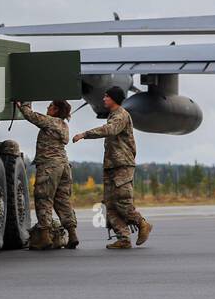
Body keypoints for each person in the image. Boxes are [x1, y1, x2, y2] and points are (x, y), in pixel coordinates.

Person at [73, 86, 153, 249]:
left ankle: (142, 223)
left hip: (122, 165)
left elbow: (110, 130)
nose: (104, 99)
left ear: (114, 98)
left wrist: (85, 134)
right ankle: (124, 238)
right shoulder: (113, 115)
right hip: (112, 166)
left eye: (107, 96)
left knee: (122, 201)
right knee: (109, 205)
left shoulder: (121, 115)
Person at [13, 100, 78, 249]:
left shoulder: (50, 121)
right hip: (64, 166)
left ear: (56, 110)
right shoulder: (63, 125)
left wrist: (24, 104)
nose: (47, 108)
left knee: (43, 199)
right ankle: (72, 234)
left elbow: (31, 116)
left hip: (49, 166)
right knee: (63, 201)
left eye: (50, 106)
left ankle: (44, 237)